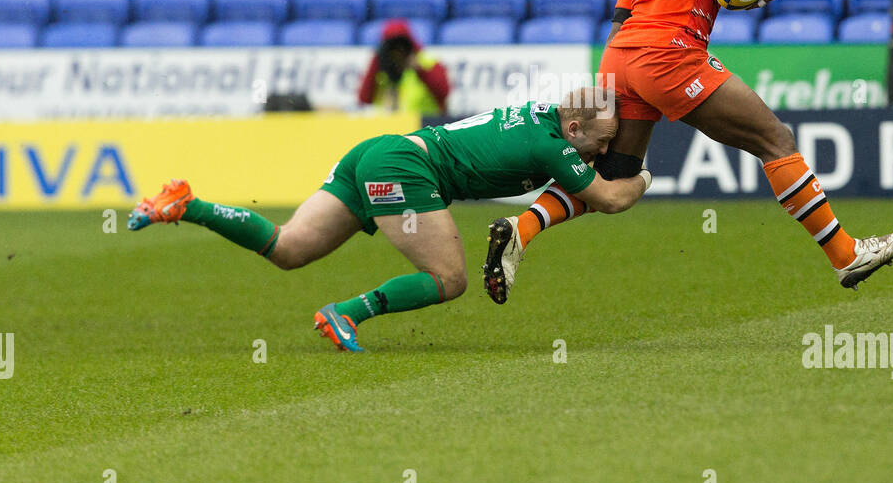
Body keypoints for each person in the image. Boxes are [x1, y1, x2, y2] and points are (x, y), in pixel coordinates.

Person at [481, 0, 893, 303]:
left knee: (612, 176)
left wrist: (613, 91)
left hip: (621, 56)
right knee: (776, 140)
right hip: (667, 51)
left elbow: (618, 24)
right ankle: (845, 255)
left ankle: (522, 228)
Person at [126, 90, 648, 352]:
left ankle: (185, 203)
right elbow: (608, 200)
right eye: (601, 142)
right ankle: (346, 312)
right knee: (450, 279)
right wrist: (643, 177)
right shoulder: (553, 147)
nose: (603, 151)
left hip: (377, 152)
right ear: (573, 128)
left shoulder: (541, 116)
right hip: (404, 168)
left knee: (288, 249)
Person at [358, 19, 451, 115]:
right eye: (392, 48)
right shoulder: (381, 67)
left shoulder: (427, 63)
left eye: (401, 47)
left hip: (423, 124)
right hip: (390, 125)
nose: (397, 53)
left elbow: (443, 93)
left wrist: (420, 71)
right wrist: (376, 63)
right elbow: (364, 98)